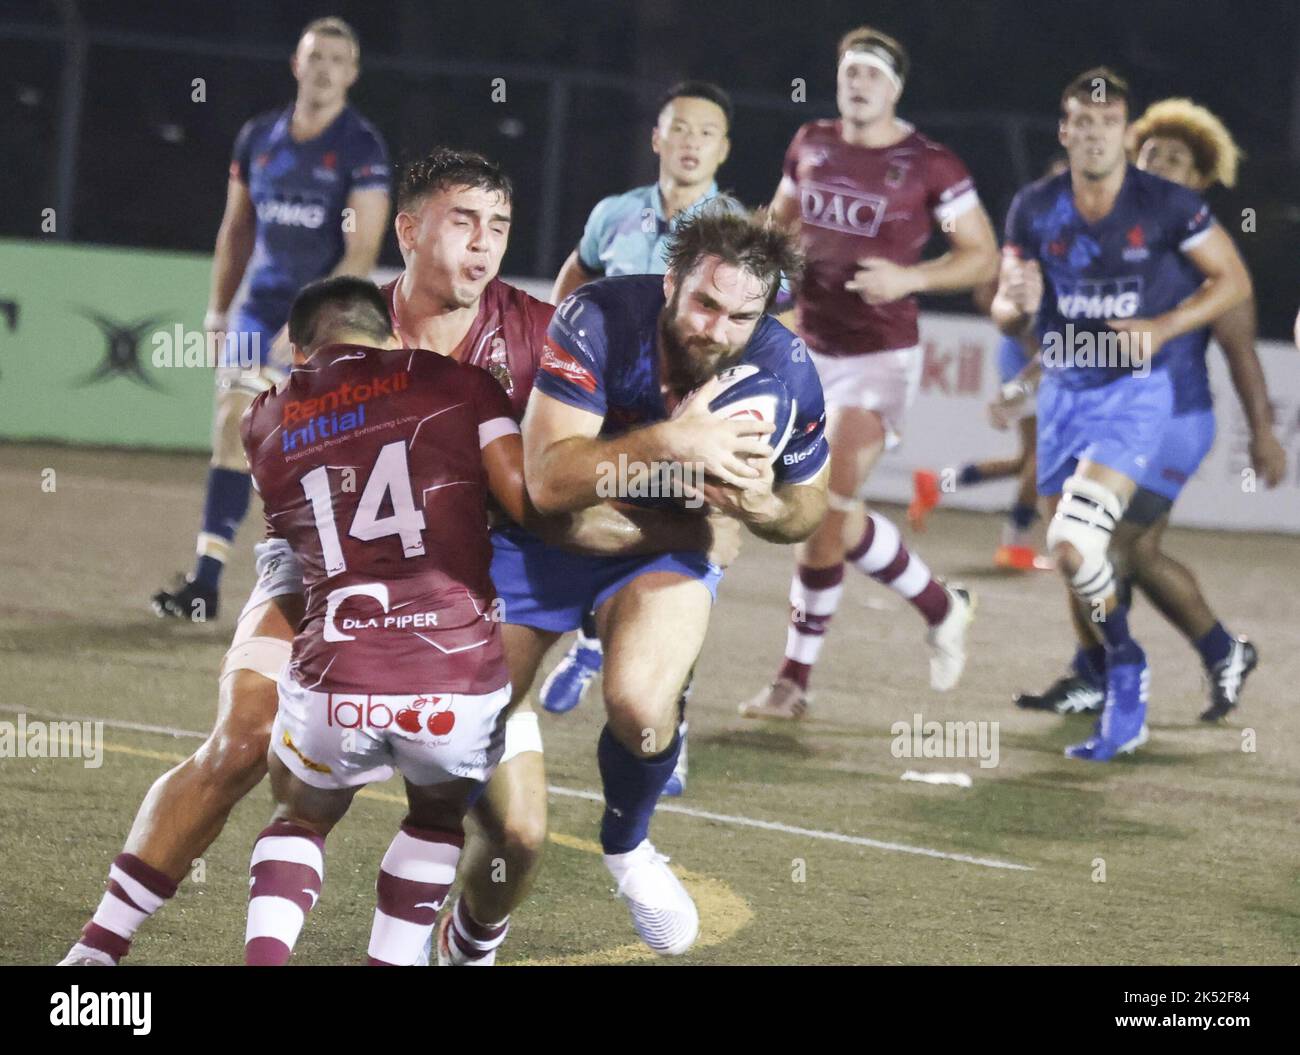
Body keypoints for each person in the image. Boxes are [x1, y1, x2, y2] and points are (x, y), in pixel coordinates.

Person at [59, 149, 733, 968]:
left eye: (500, 227)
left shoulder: (536, 338)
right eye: (463, 222)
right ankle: (94, 956)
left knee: (516, 835)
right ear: (408, 231)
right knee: (241, 740)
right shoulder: (339, 326)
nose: (483, 245)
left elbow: (570, 479)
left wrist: (653, 523)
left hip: (468, 598)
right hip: (320, 576)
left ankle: (469, 943)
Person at [519, 206, 828, 953]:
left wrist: (758, 503)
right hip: (554, 534)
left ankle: (628, 846)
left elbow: (806, 511)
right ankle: (470, 911)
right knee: (466, 717)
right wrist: (673, 441)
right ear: (670, 283)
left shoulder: (785, 369)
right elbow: (548, 483)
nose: (717, 328)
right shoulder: (595, 318)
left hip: (661, 547)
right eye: (704, 303)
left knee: (639, 704)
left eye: (740, 316)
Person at [236, 276, 531, 965]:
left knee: (302, 815)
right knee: (435, 816)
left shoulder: (263, 420)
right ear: (391, 334)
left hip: (337, 672)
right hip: (453, 677)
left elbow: (294, 536)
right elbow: (523, 499)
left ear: (297, 347)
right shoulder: (465, 384)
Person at [739, 26, 999, 719]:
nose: (859, 84)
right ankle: (943, 605)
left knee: (828, 499)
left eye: (873, 75)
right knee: (822, 515)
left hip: (880, 358)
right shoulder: (811, 142)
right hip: (807, 348)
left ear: (896, 89)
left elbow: (982, 254)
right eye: (850, 71)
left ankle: (793, 680)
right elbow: (779, 228)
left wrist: (910, 275)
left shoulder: (931, 163)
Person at [990, 69, 1252, 759]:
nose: (1096, 134)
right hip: (1067, 401)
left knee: (1092, 548)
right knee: (1088, 557)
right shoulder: (1036, 206)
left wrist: (1165, 331)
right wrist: (1012, 309)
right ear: (1066, 129)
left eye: (1109, 123)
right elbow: (1015, 308)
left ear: (1120, 130)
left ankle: (1121, 676)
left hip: (1151, 402)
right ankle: (1117, 666)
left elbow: (1237, 302)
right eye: (1082, 121)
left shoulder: (1173, 215)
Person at [152, 16, 390, 623]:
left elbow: (360, 250)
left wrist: (313, 320)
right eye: (316, 57)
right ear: (296, 64)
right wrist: (216, 309)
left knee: (302, 452)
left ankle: (334, 582)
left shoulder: (362, 147)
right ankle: (206, 582)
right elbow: (236, 229)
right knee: (234, 420)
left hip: (326, 316)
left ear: (353, 74)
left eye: (339, 60)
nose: (325, 68)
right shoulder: (259, 136)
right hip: (257, 311)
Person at [542, 80, 739, 795]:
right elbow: (576, 282)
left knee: (681, 572)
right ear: (658, 138)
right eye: (678, 127)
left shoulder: (733, 232)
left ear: (723, 150)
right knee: (574, 524)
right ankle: (590, 635)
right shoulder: (614, 215)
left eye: (706, 132)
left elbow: (760, 330)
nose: (690, 141)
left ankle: (671, 727)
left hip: (684, 428)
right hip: (604, 422)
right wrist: (550, 346)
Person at [910, 156, 1070, 571]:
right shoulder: (1034, 238)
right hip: (1029, 356)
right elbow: (987, 290)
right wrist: (1022, 326)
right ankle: (1015, 543)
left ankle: (938, 482)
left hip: (1051, 355)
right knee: (1044, 456)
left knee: (1029, 458)